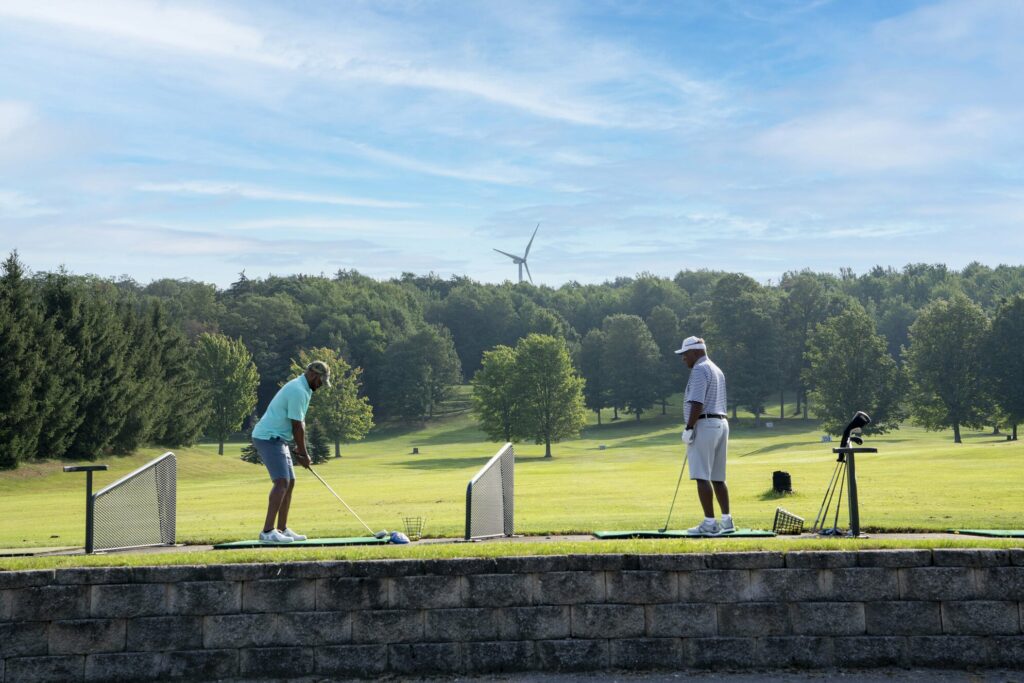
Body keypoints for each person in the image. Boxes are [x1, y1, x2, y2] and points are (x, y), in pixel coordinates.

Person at [250, 361, 331, 543]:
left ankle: (282, 529)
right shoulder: (298, 390)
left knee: (290, 482)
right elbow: (297, 426)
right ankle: (267, 531)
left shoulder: (305, 389)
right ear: (312, 375)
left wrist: (300, 449)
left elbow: (298, 423)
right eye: (320, 380)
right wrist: (303, 453)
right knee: (281, 482)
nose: (321, 385)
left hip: (280, 439)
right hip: (268, 437)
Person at [675, 336, 732, 535]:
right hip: (721, 423)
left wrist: (689, 428)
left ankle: (709, 523)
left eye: (685, 354)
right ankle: (727, 521)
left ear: (696, 352)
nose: (683, 358)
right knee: (718, 477)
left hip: (705, 424)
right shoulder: (716, 369)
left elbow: (697, 402)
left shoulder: (699, 369)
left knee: (701, 476)